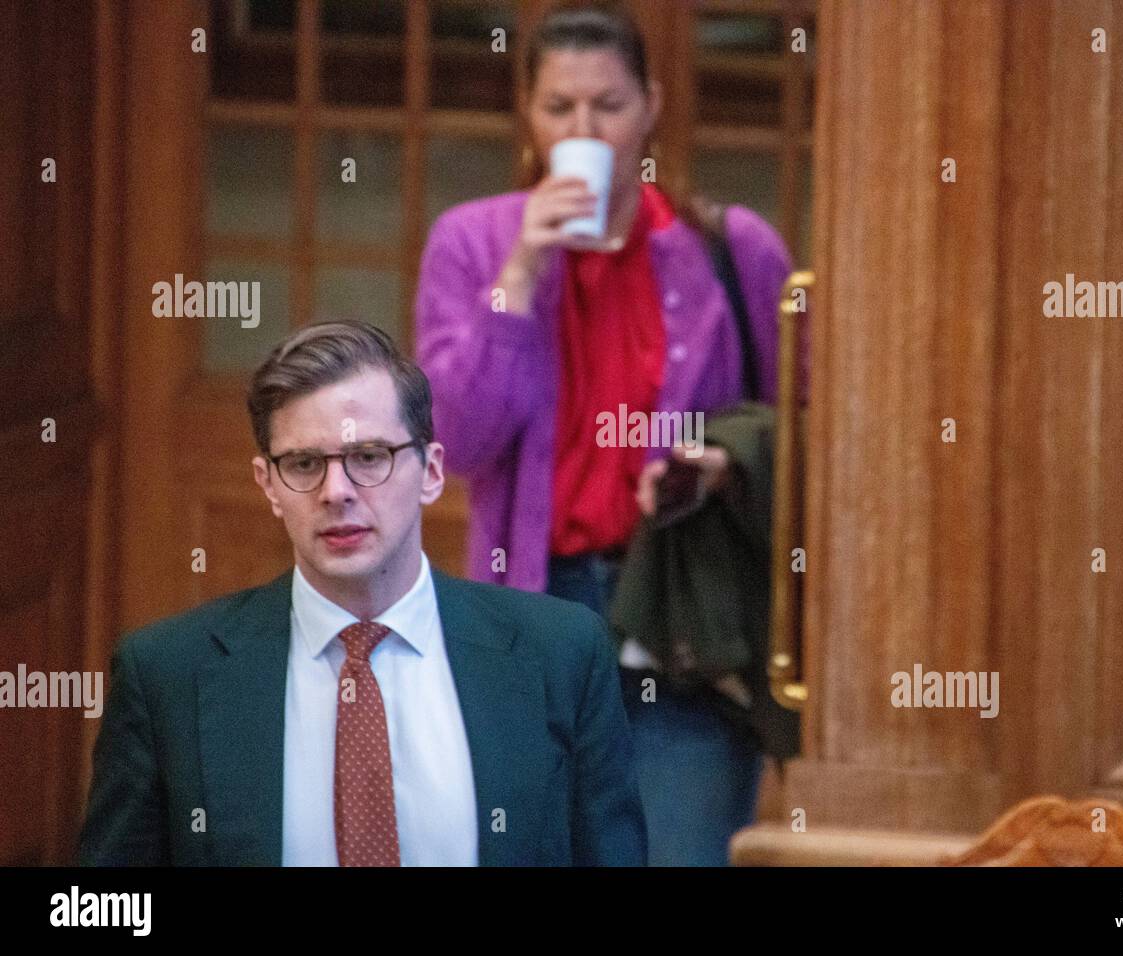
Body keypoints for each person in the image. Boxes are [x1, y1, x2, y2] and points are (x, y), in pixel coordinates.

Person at [414, 2, 792, 865]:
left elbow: (798, 432)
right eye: (559, 108)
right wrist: (520, 276)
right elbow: (456, 444)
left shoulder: (732, 248)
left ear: (651, 106)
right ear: (529, 115)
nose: (584, 129)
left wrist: (726, 460)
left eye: (608, 106)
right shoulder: (473, 245)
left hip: (677, 616)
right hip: (533, 619)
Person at [79, 321, 646, 866]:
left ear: (430, 471)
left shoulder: (561, 654)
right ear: (268, 485)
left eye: (368, 458)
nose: (337, 492)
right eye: (304, 464)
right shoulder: (167, 677)